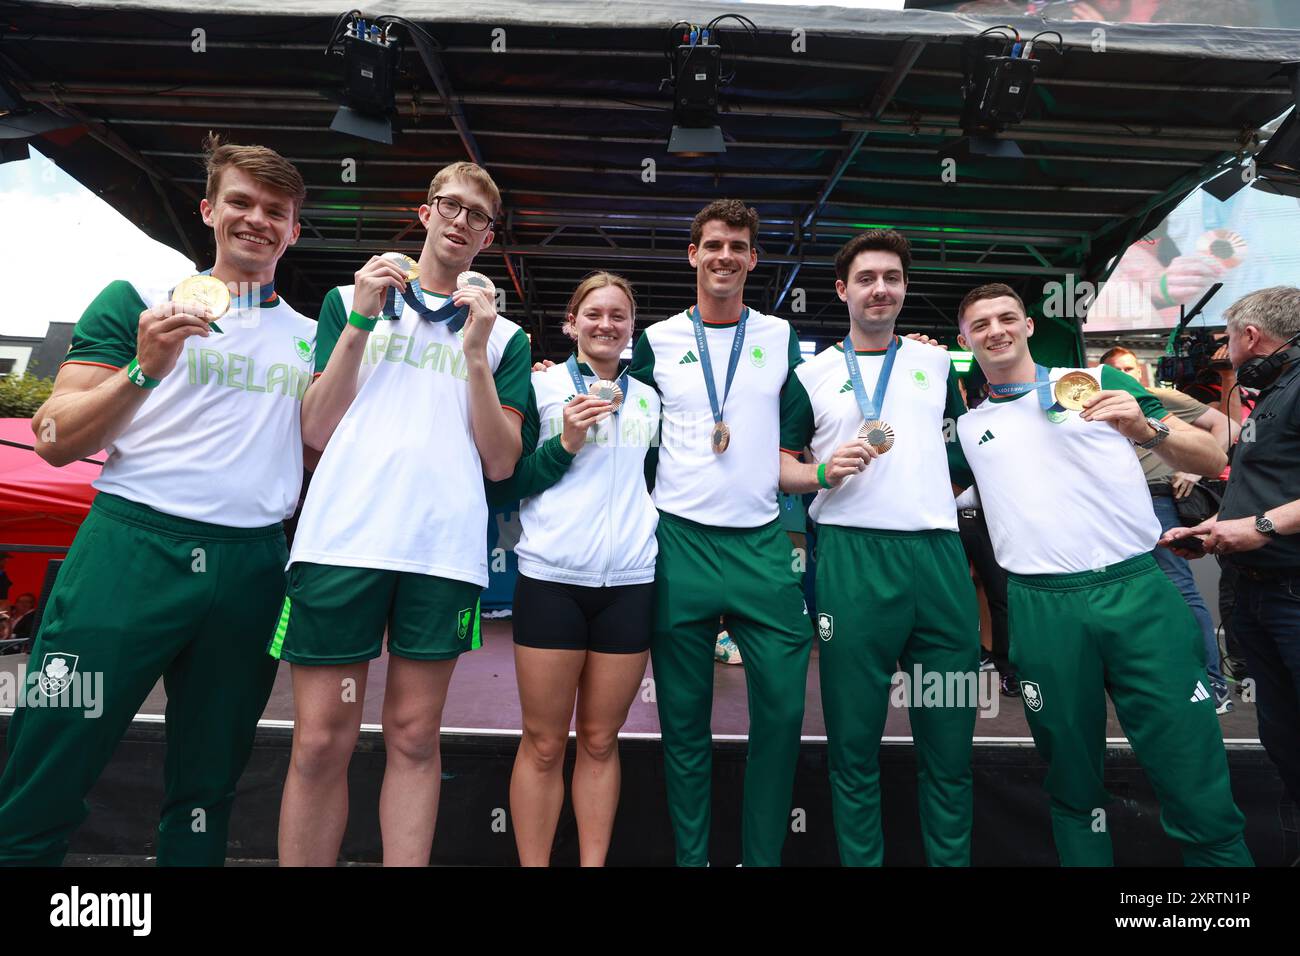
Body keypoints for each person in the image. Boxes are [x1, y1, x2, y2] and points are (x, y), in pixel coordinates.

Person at [0, 135, 313, 866]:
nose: (257, 220)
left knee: (210, 783)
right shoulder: (136, 301)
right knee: (53, 750)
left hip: (253, 567)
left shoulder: (313, 337)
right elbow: (51, 437)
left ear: (295, 229)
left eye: (276, 210)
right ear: (209, 209)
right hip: (128, 548)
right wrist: (143, 370)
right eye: (240, 201)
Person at [272, 161, 531, 867]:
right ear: (424, 213)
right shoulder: (346, 299)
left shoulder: (504, 336)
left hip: (440, 555)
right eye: (450, 205)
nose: (460, 220)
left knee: (416, 738)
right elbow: (315, 429)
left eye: (477, 215)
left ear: (487, 235)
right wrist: (358, 319)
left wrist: (476, 353)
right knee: (322, 739)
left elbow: (502, 460)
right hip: (341, 542)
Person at [955, 282, 1251, 866]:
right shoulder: (969, 428)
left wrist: (1147, 428)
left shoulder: (1099, 384)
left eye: (1006, 318)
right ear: (964, 341)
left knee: (1191, 766)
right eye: (980, 324)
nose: (996, 331)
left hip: (1136, 591)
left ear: (1029, 325)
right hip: (1041, 607)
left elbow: (1212, 458)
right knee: (1070, 781)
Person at [779, 228, 979, 866]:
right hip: (853, 559)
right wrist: (820, 473)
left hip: (938, 559)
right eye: (866, 278)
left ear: (904, 287)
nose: (880, 288)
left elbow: (958, 456)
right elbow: (776, 464)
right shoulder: (809, 375)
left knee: (949, 746)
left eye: (891, 277)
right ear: (842, 290)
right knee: (854, 744)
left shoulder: (937, 363)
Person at [628, 199, 812, 867]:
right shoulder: (657, 339)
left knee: (785, 715)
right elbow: (635, 438)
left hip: (762, 545)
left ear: (754, 259)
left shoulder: (780, 334)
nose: (724, 255)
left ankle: (761, 858)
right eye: (712, 244)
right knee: (682, 724)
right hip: (680, 543)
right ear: (693, 255)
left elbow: (799, 422)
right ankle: (694, 859)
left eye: (737, 245)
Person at [486, 272, 659, 866]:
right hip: (552, 581)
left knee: (602, 740)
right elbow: (510, 480)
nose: (605, 324)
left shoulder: (653, 398)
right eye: (593, 314)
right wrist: (565, 442)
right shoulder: (542, 387)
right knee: (540, 742)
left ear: (631, 329)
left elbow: (656, 483)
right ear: (571, 323)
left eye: (618, 315)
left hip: (630, 586)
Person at [1161, 285, 1300, 810]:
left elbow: (1267, 512)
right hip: (1259, 592)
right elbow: (1267, 489)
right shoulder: (1274, 393)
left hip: (1293, 591)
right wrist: (1215, 528)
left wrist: (1260, 526)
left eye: (1226, 340)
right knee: (1284, 738)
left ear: (1250, 335)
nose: (1225, 353)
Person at [1100, 346, 1239, 712]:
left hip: (1157, 497)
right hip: (1110, 505)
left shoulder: (1160, 397)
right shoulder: (1093, 401)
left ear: (1141, 371)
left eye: (1129, 367)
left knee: (1180, 591)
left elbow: (1229, 427)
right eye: (1115, 369)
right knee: (1128, 595)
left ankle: (1213, 683)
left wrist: (1194, 469)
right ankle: (1158, 683)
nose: (1124, 375)